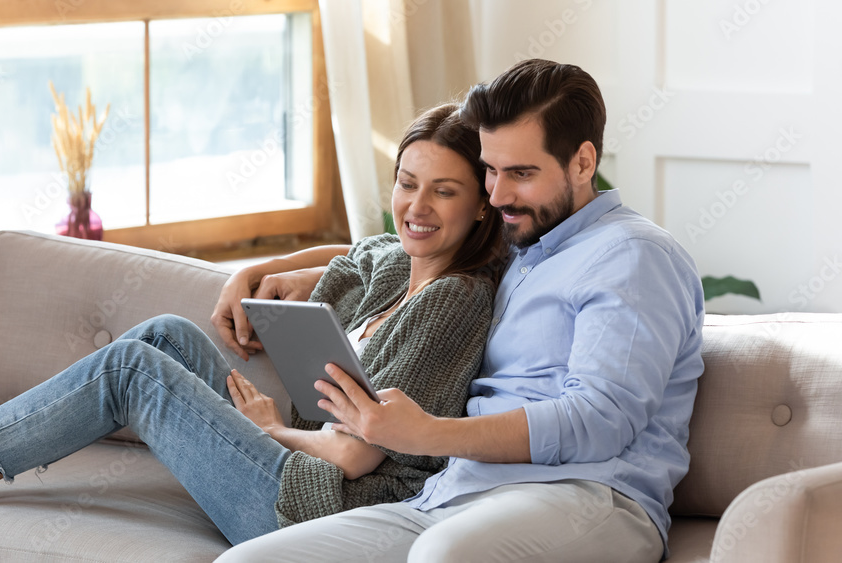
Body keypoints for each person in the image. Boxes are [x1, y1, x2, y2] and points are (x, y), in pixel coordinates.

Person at [0, 103, 506, 546]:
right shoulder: (400, 262)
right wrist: (261, 270)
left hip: (317, 504)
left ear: (482, 205)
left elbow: (361, 451)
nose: (416, 206)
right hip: (292, 459)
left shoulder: (454, 297)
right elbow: (356, 250)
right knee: (164, 333)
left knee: (132, 369)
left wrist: (270, 427)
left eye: (444, 190)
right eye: (406, 181)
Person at [215, 59, 705, 562]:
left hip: (589, 493)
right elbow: (399, 246)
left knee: (442, 556)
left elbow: (598, 421)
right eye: (490, 171)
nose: (496, 194)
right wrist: (274, 272)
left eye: (520, 173)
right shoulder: (523, 242)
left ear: (583, 163)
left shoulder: (633, 256)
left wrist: (425, 432)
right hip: (456, 492)